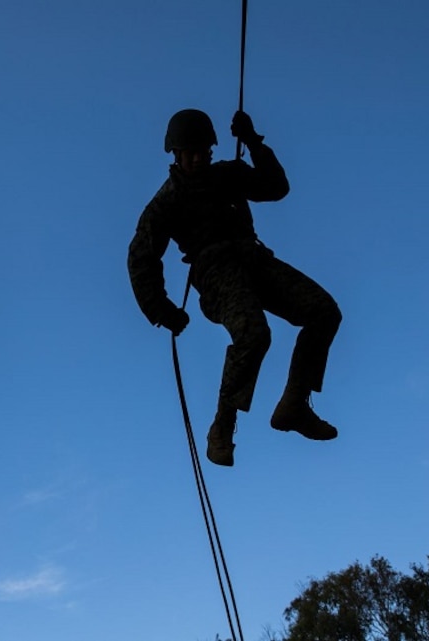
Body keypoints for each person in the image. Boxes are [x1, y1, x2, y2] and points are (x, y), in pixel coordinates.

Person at [127, 109, 342, 467]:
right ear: (176, 154)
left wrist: (253, 141)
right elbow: (141, 258)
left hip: (253, 260)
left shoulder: (227, 175)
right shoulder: (167, 202)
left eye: (203, 150)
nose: (198, 158)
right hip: (216, 272)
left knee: (324, 311)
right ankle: (222, 427)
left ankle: (294, 404)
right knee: (253, 334)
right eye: (190, 152)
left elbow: (275, 186)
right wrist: (161, 310)